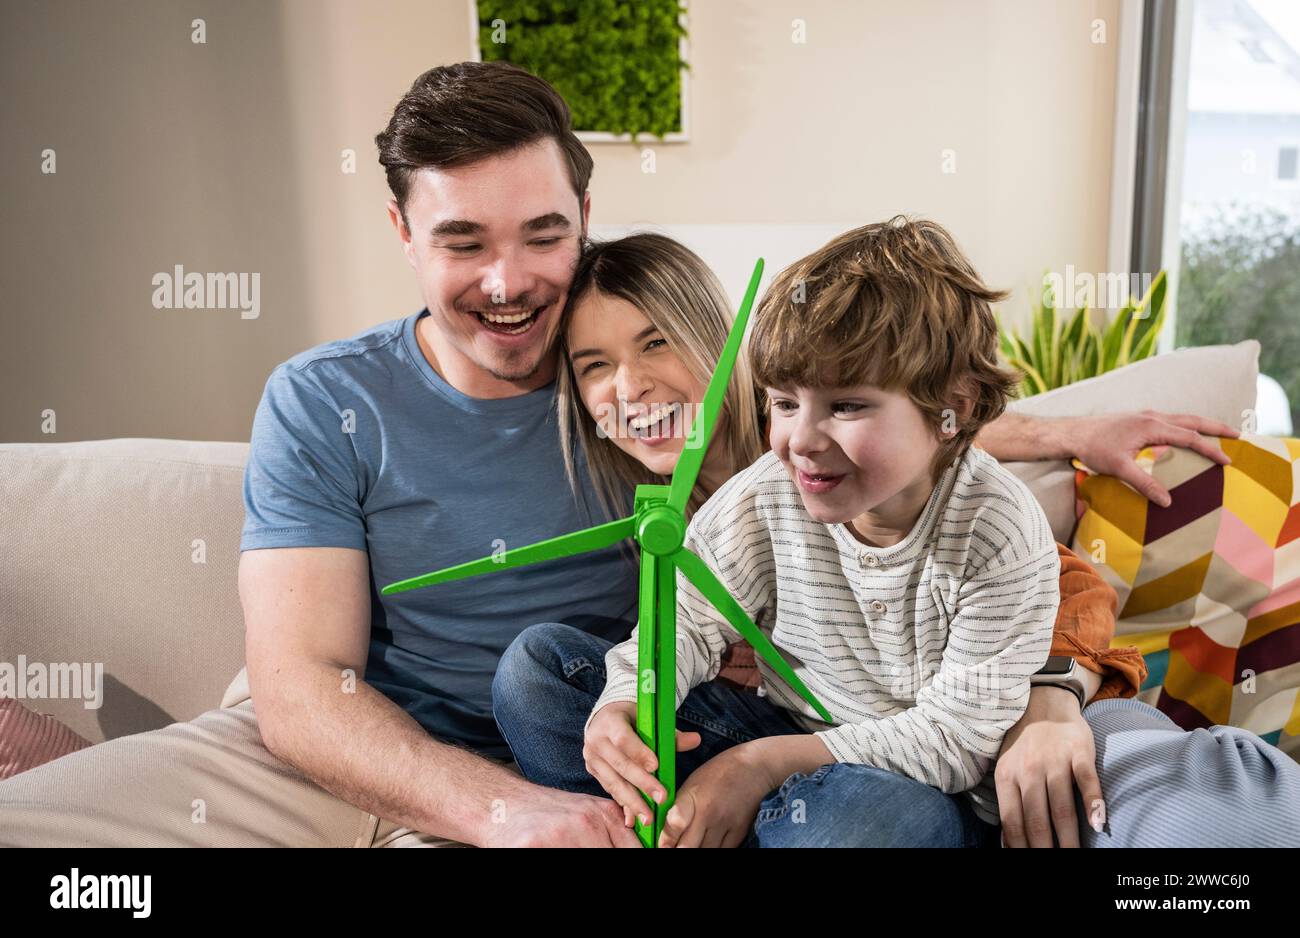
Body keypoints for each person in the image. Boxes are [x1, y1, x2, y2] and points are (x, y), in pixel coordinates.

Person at [0, 62, 1271, 848]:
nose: (510, 285)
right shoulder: (356, 399)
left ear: (585, 221)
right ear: (399, 228)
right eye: (462, 243)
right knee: (51, 839)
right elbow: (297, 685)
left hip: (700, 746)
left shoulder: (677, 398)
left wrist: (1058, 443)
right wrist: (510, 804)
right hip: (354, 744)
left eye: (541, 234)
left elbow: (878, 440)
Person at [493, 228, 1300, 847]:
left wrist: (1054, 696)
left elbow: (1053, 592)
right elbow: (673, 631)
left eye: (654, 342)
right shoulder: (743, 493)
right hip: (787, 734)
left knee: (859, 820)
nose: (626, 386)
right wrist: (625, 700)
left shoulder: (964, 503)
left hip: (912, 760)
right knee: (538, 670)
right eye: (592, 364)